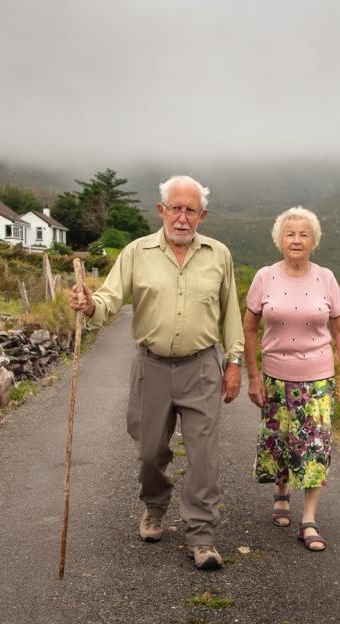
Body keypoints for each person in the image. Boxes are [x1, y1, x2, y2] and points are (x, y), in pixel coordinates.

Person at [69, 175, 244, 570]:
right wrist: (87, 304)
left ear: (203, 215)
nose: (183, 218)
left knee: (204, 459)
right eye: (176, 209)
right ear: (161, 211)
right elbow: (109, 300)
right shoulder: (136, 252)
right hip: (151, 366)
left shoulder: (219, 255)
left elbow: (230, 312)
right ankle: (154, 507)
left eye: (191, 210)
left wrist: (234, 363)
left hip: (202, 366)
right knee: (149, 453)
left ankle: (201, 536)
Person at [242, 206, 340, 551]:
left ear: (314, 241)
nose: (296, 240)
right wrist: (254, 376)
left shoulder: (326, 278)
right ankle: (280, 489)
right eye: (290, 233)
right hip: (275, 375)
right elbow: (249, 328)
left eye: (304, 234)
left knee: (314, 447)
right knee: (281, 441)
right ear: (279, 239)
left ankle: (309, 520)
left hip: (318, 377)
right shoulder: (265, 277)